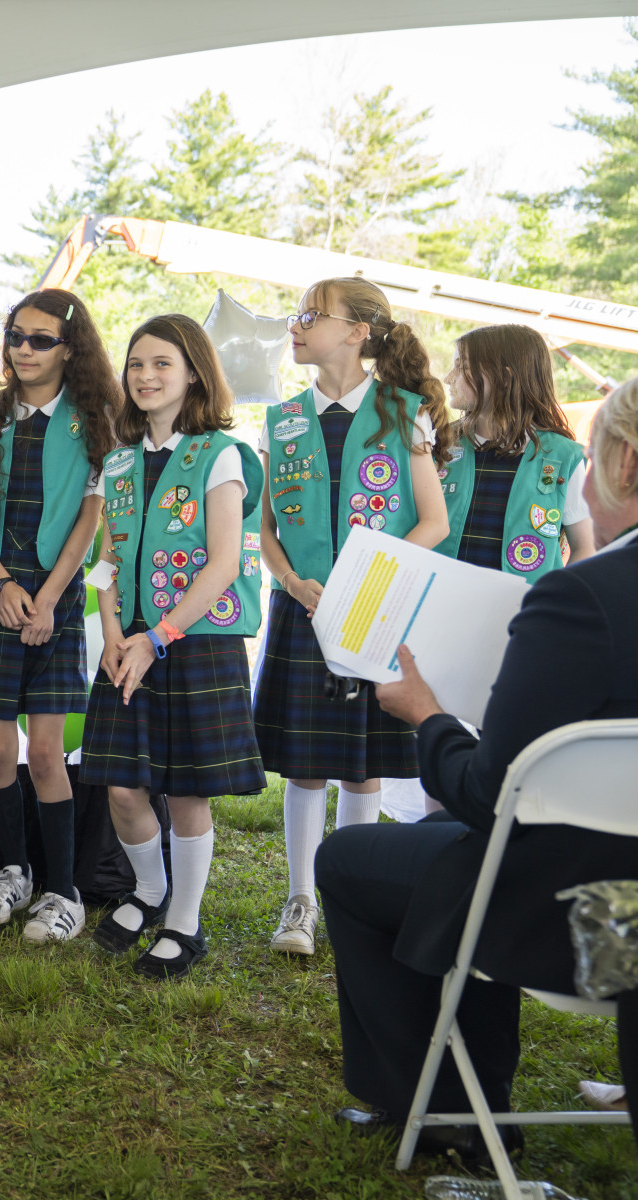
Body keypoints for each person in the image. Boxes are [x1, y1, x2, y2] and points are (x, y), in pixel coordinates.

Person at [321, 376, 638, 1163]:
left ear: (624, 463)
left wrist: (426, 714)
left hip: (588, 918)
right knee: (442, 846)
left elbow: (487, 797)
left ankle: (445, 1107)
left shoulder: (584, 599)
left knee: (352, 858)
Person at [251, 278, 452, 959]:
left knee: (361, 765)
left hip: (373, 608)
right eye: (297, 314)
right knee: (306, 764)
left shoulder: (403, 413)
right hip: (300, 611)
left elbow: (432, 522)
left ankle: (349, 900)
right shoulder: (280, 419)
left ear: (357, 332)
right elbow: (267, 530)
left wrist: (368, 576)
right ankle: (298, 900)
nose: (295, 325)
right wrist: (288, 580)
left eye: (312, 315)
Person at [83, 314, 267, 980]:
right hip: (125, 643)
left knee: (186, 792)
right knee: (122, 789)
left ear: (192, 372)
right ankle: (148, 889)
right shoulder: (117, 462)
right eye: (135, 364)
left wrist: (155, 638)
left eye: (161, 363)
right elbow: (105, 559)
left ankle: (184, 921)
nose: (145, 376)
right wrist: (110, 632)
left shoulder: (218, 454)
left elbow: (221, 564)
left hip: (191, 642)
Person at [0, 289, 116, 943]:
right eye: (14, 336)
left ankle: (62, 890)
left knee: (46, 753)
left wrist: (50, 598)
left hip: (56, 598)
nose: (22, 349)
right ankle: (12, 869)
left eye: (39, 339)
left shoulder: (95, 421)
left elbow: (89, 518)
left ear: (69, 348)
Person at [437, 323, 595, 574]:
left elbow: (585, 547)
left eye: (462, 367)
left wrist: (558, 602)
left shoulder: (565, 457)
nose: (448, 378)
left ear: (505, 379)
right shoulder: (437, 442)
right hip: (438, 599)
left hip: (523, 609)